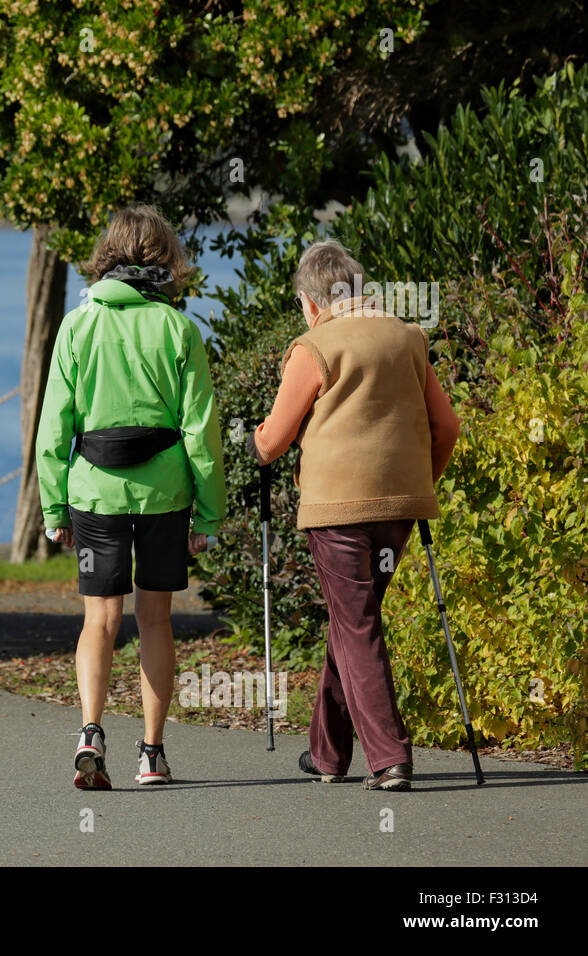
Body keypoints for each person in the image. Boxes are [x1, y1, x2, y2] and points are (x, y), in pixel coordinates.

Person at [248, 238, 460, 792]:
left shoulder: (314, 346)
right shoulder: (407, 336)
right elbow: (449, 427)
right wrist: (421, 481)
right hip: (401, 507)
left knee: (356, 622)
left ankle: (389, 756)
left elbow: (273, 440)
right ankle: (328, 752)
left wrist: (254, 442)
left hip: (337, 508)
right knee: (354, 619)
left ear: (310, 301)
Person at [36, 204, 226, 790]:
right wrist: (210, 512)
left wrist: (51, 508)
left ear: (107, 259)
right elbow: (201, 430)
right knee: (155, 621)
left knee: (100, 619)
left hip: (95, 492)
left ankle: (90, 734)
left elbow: (53, 428)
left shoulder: (77, 325)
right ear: (164, 260)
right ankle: (152, 754)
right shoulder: (177, 328)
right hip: (165, 494)